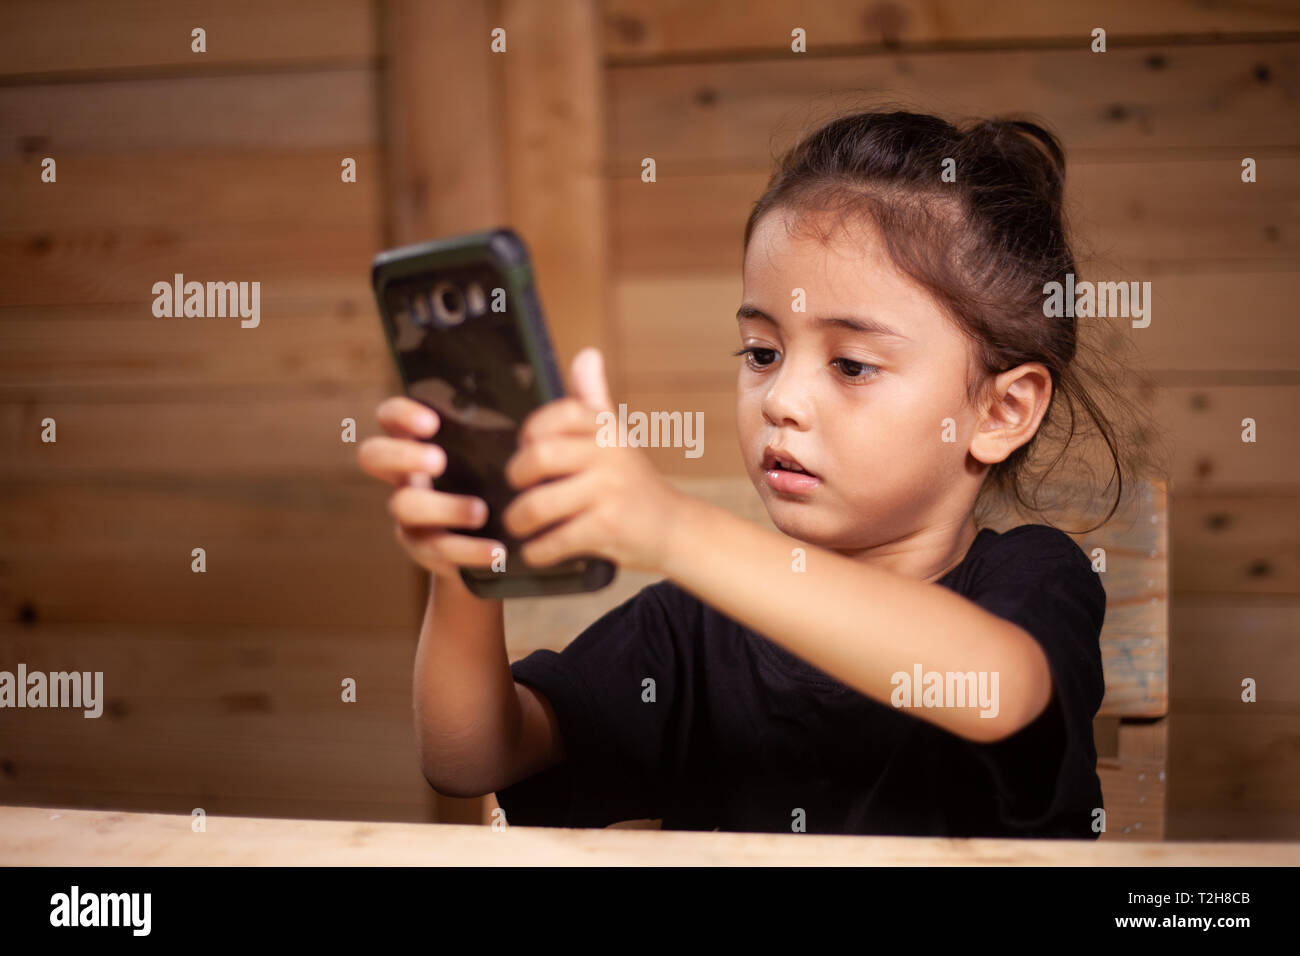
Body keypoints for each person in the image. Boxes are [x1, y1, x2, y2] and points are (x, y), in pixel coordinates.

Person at [358, 109, 1160, 837]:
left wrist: (671, 527)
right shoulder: (691, 626)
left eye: (850, 364)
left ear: (1001, 411)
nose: (782, 399)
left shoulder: (1036, 577)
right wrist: (469, 558)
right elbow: (472, 761)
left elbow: (993, 690)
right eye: (762, 353)